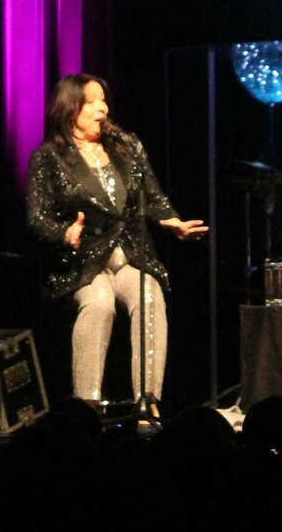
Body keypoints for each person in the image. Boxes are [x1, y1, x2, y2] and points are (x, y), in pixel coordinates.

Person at [26, 74, 207, 407]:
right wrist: (65, 233)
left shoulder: (127, 146)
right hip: (83, 263)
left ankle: (148, 401)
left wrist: (174, 223)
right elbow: (37, 219)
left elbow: (153, 197)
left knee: (150, 296)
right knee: (99, 304)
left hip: (129, 256)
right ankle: (87, 404)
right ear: (70, 110)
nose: (102, 108)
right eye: (92, 101)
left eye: (103, 100)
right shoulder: (48, 157)